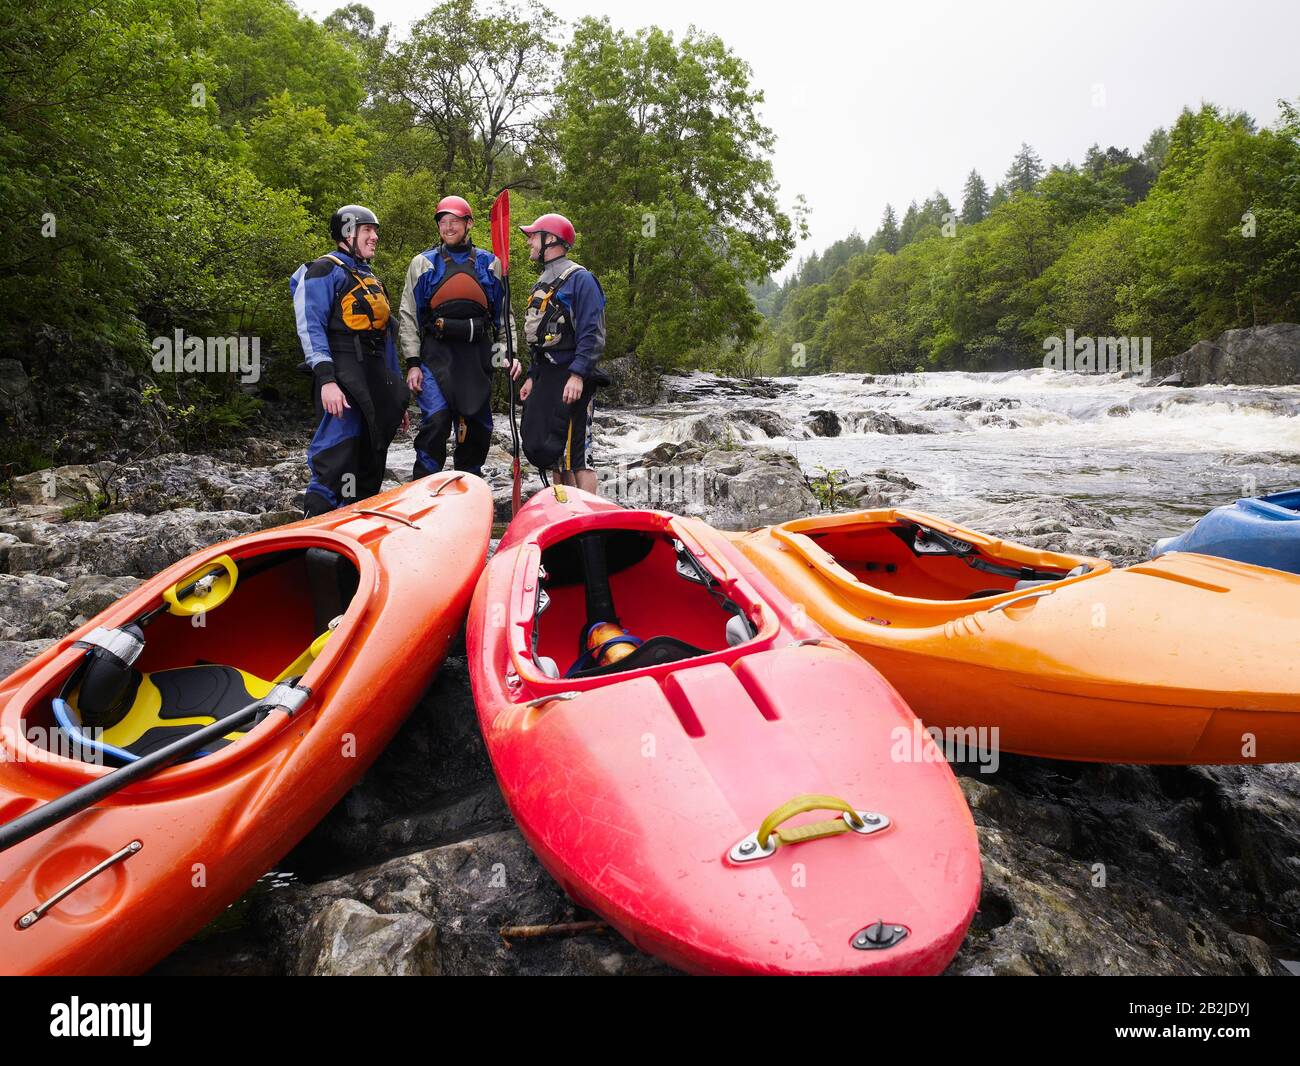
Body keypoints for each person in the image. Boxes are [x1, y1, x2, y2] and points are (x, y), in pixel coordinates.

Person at [290, 205, 409, 517]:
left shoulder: (371, 279)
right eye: (368, 230)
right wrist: (326, 380)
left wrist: (397, 396)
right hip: (342, 375)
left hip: (374, 376)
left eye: (375, 230)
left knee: (372, 456)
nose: (375, 236)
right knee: (338, 452)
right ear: (347, 233)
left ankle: (355, 524)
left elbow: (387, 339)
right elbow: (310, 325)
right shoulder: (323, 270)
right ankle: (315, 523)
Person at [398, 195, 519, 478]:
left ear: (469, 224)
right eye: (443, 222)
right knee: (436, 420)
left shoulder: (491, 264)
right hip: (435, 356)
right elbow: (408, 315)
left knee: (475, 425)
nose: (448, 227)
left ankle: (468, 481)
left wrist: (507, 356)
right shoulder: (423, 264)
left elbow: (502, 316)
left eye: (454, 221)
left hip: (476, 358)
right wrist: (413, 362)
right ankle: (424, 484)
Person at [517, 213, 607, 493]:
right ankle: (564, 516)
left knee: (577, 455)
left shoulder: (582, 280)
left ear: (551, 239)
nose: (529, 241)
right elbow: (538, 341)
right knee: (557, 455)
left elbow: (592, 333)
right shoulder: (542, 282)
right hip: (547, 377)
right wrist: (532, 376)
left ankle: (588, 523)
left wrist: (578, 375)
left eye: (534, 235)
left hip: (572, 378)